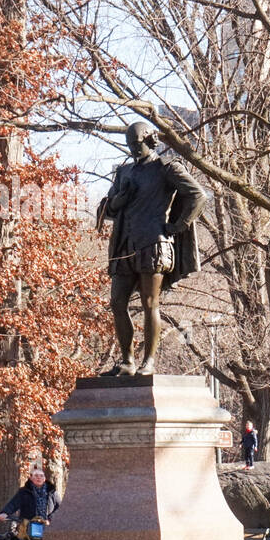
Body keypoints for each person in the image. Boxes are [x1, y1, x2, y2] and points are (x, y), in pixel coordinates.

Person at [97, 122, 207, 377]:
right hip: (125, 243)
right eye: (131, 146)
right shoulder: (124, 172)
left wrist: (178, 225)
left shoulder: (166, 168)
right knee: (117, 301)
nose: (135, 149)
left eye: (138, 144)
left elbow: (198, 195)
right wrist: (118, 200)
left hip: (154, 243)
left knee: (149, 303)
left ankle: (149, 362)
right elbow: (108, 209)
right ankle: (127, 361)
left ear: (150, 140)